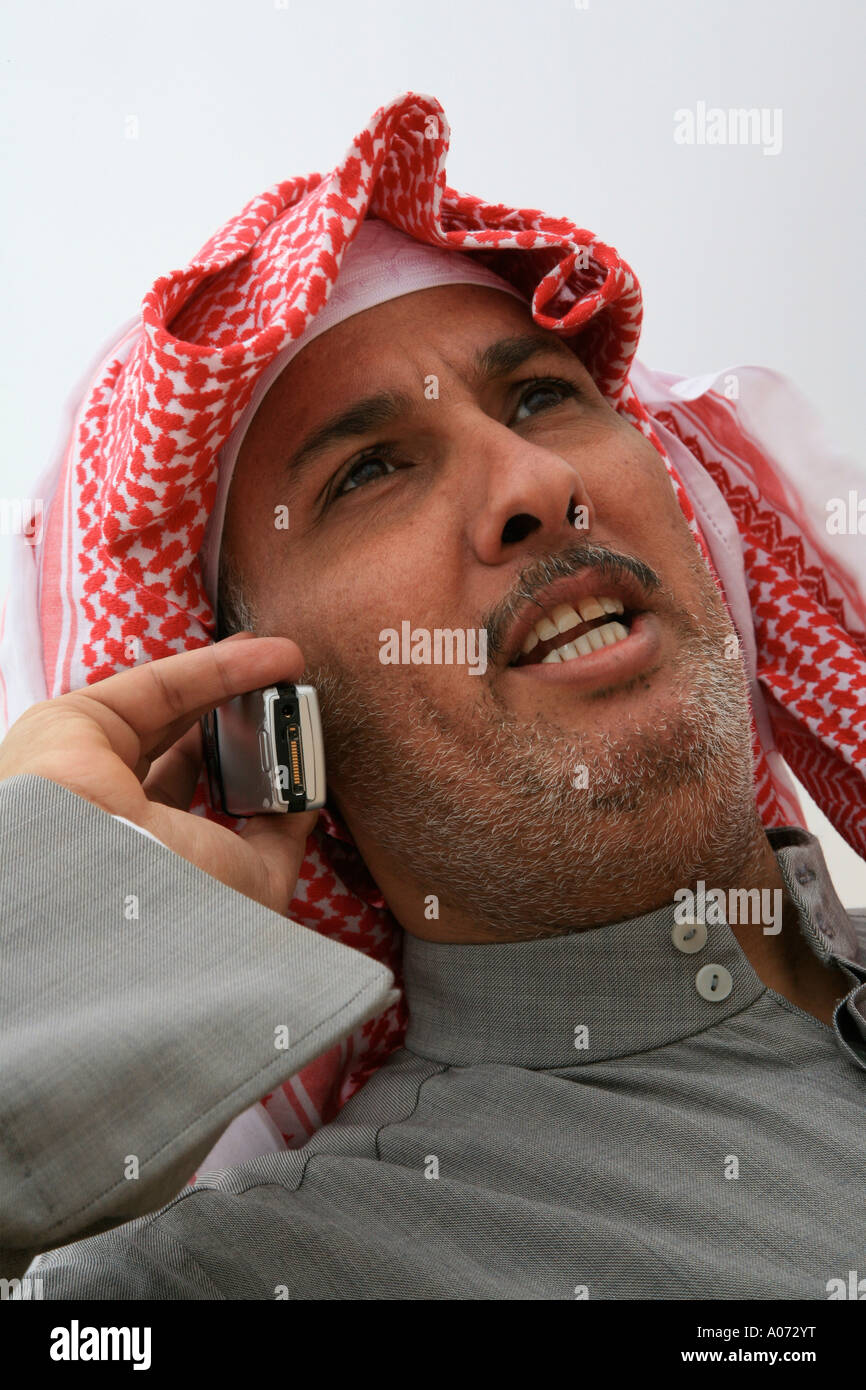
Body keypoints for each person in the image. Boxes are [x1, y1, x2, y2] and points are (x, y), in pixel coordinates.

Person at [1, 92, 864, 1300]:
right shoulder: (259, 1276)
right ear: (252, 731)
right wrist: (51, 942)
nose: (535, 479)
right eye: (367, 471)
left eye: (539, 397)